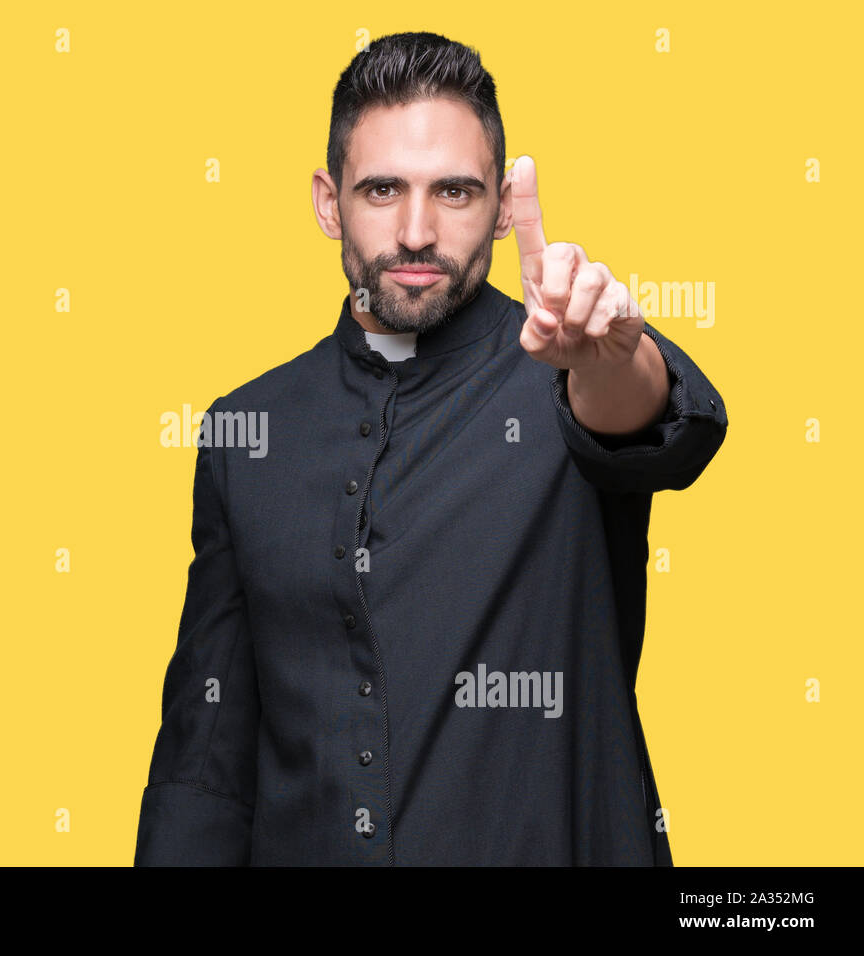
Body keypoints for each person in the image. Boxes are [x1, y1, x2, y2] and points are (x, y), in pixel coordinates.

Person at [134, 31, 727, 865]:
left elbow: (651, 426)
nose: (416, 232)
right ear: (328, 201)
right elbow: (207, 756)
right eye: (382, 189)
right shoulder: (246, 432)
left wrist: (612, 356)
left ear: (500, 204)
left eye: (454, 191)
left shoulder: (566, 366)